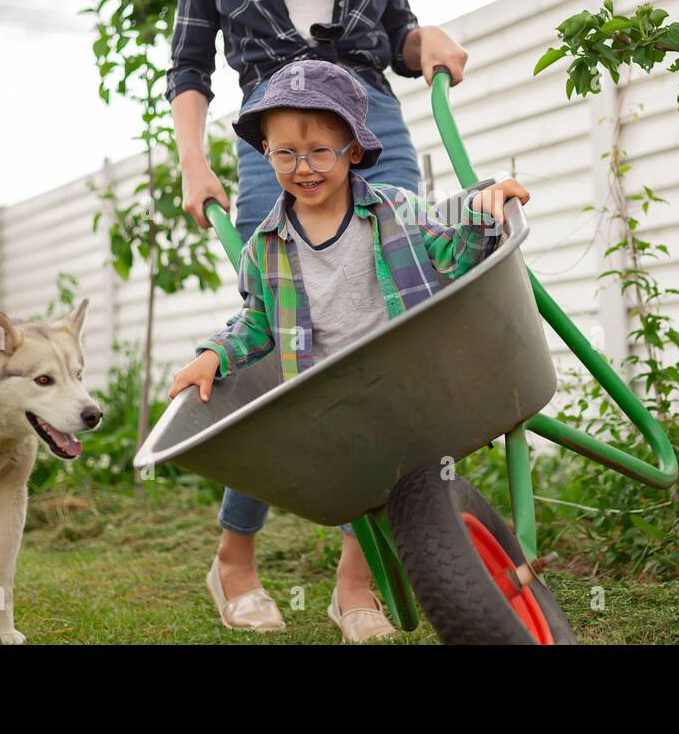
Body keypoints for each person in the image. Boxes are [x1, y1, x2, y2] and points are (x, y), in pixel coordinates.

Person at [166, 0, 473, 638]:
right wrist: (195, 161)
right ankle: (233, 559)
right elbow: (190, 66)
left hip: (371, 127)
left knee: (387, 339)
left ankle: (356, 580)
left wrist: (430, 41)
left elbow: (401, 32)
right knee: (286, 340)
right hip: (278, 145)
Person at [169, 60, 531, 641]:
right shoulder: (264, 247)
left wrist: (487, 203)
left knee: (393, 474)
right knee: (357, 479)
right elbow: (256, 323)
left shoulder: (394, 210)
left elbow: (449, 251)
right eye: (284, 154)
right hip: (327, 389)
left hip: (401, 373)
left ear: (353, 152)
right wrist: (215, 354)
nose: (302, 168)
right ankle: (353, 594)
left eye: (319, 152)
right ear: (266, 152)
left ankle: (354, 590)